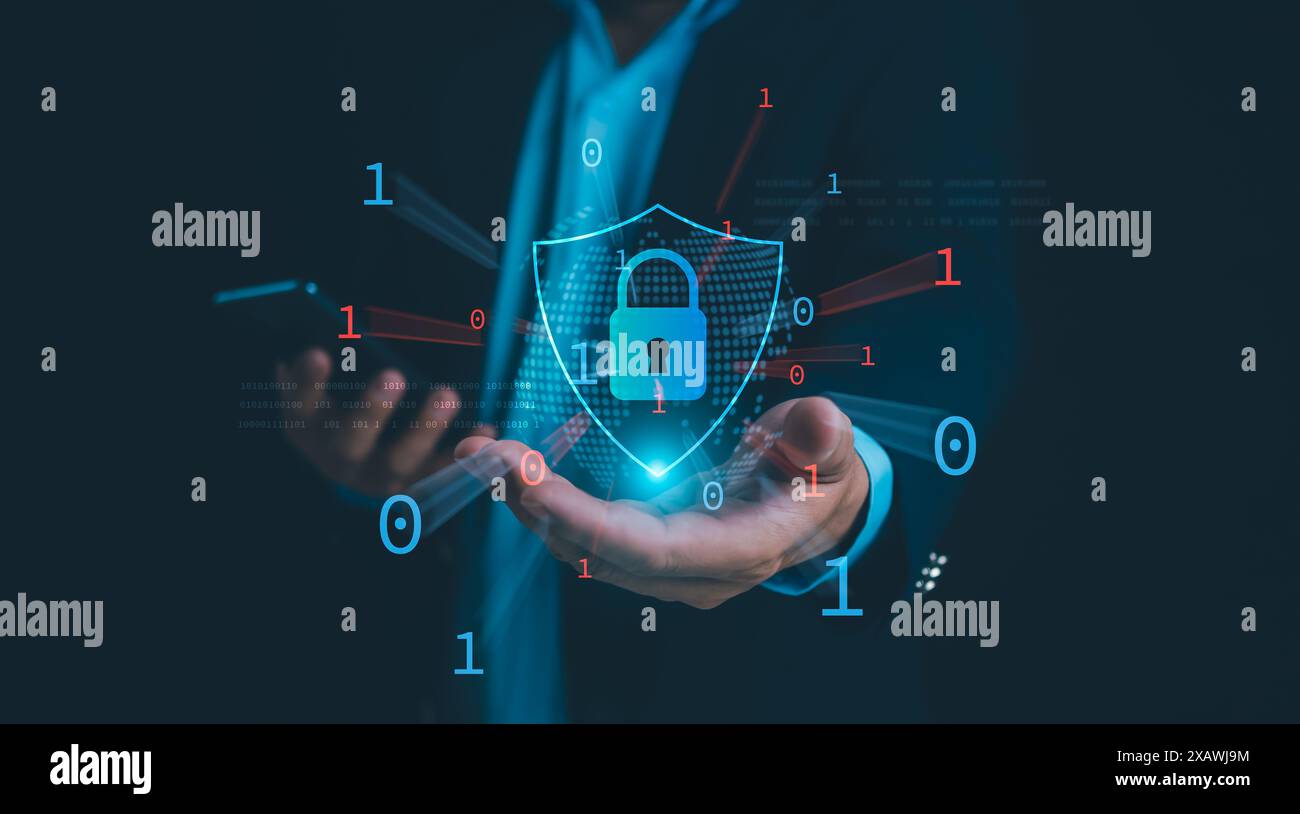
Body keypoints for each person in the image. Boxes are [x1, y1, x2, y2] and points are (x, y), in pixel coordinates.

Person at [280, 0, 1023, 721]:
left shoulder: (902, 34)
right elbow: (395, 315)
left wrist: (836, 493)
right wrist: (372, 461)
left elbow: (936, 320)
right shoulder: (433, 37)